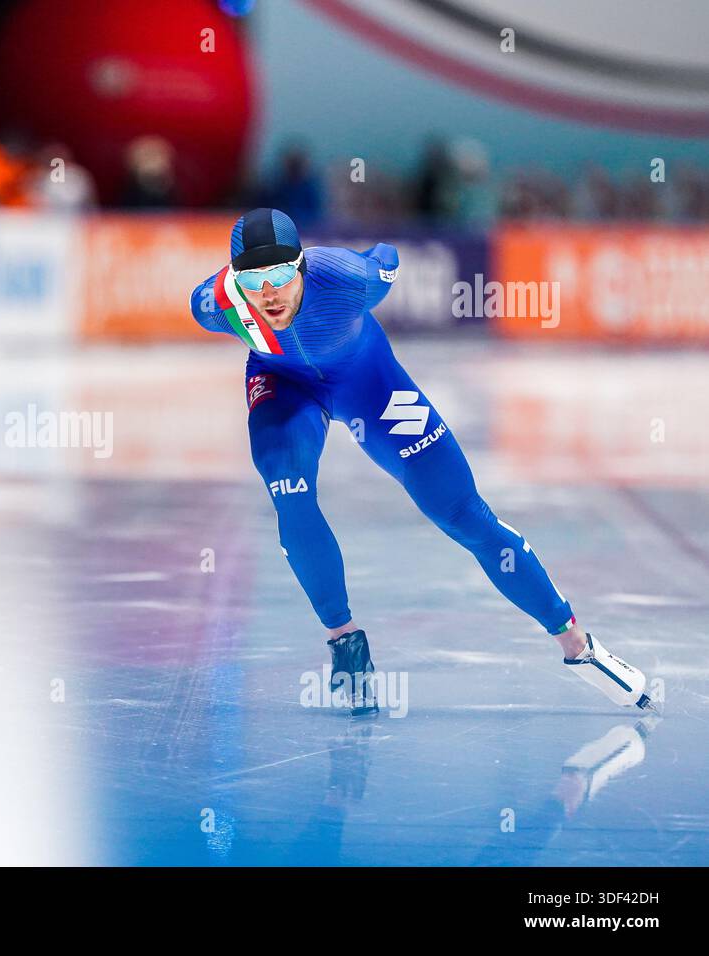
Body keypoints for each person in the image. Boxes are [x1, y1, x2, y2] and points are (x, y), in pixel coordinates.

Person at [189, 208, 656, 716]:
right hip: (286, 390)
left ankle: (579, 647)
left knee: (461, 512)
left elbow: (385, 257)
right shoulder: (213, 306)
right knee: (291, 495)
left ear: (301, 267)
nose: (270, 293)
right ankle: (345, 640)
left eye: (280, 276)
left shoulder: (348, 279)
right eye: (254, 281)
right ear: (235, 280)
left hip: (369, 382)